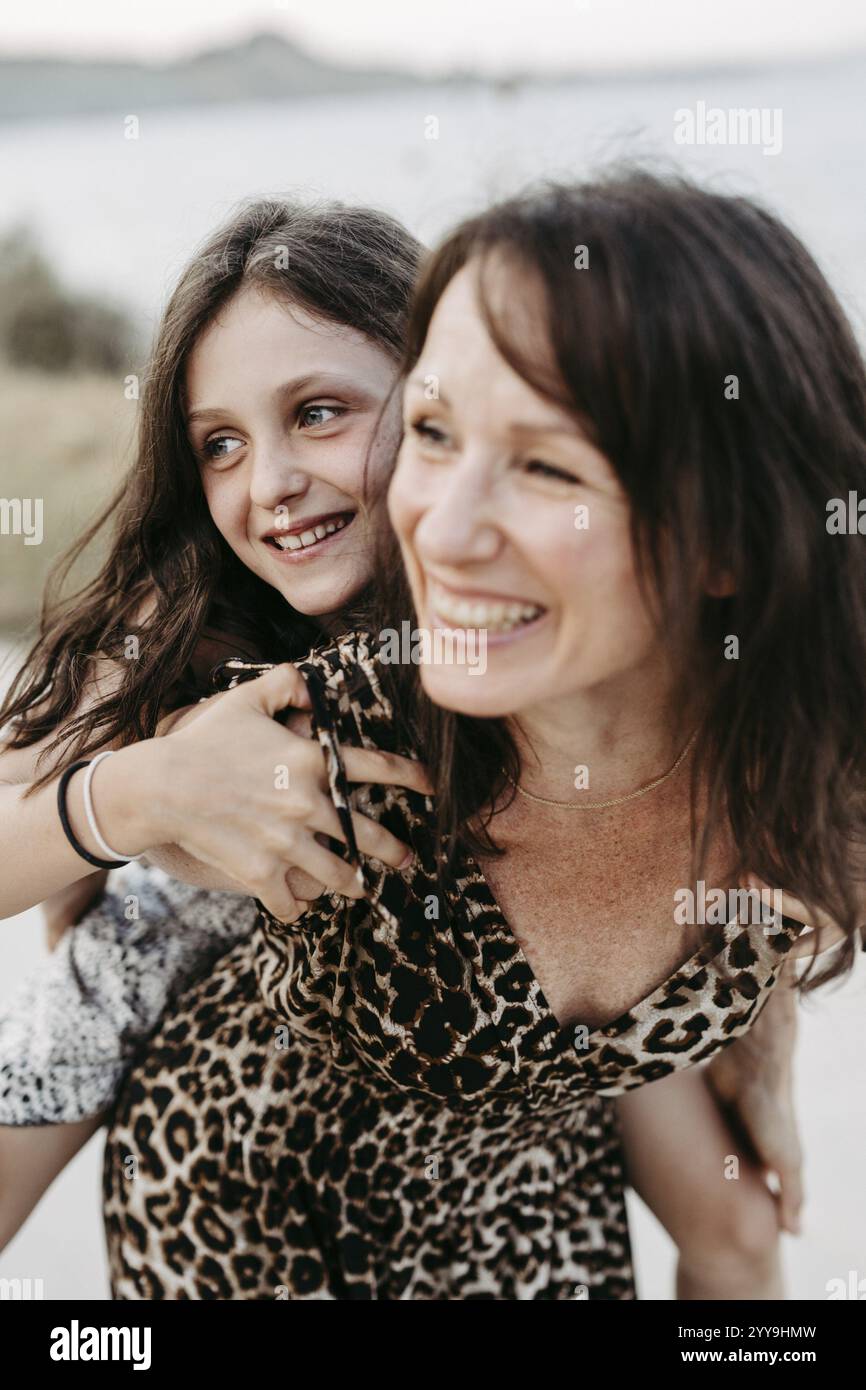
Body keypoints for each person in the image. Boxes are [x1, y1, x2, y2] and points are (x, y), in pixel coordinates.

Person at [93, 171, 863, 1298]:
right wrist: (135, 796)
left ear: (734, 541)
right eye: (436, 433)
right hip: (258, 1216)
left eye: (544, 464)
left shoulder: (813, 771)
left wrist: (763, 1040)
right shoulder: (310, 733)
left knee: (746, 1239)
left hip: (525, 1192)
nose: (438, 528)